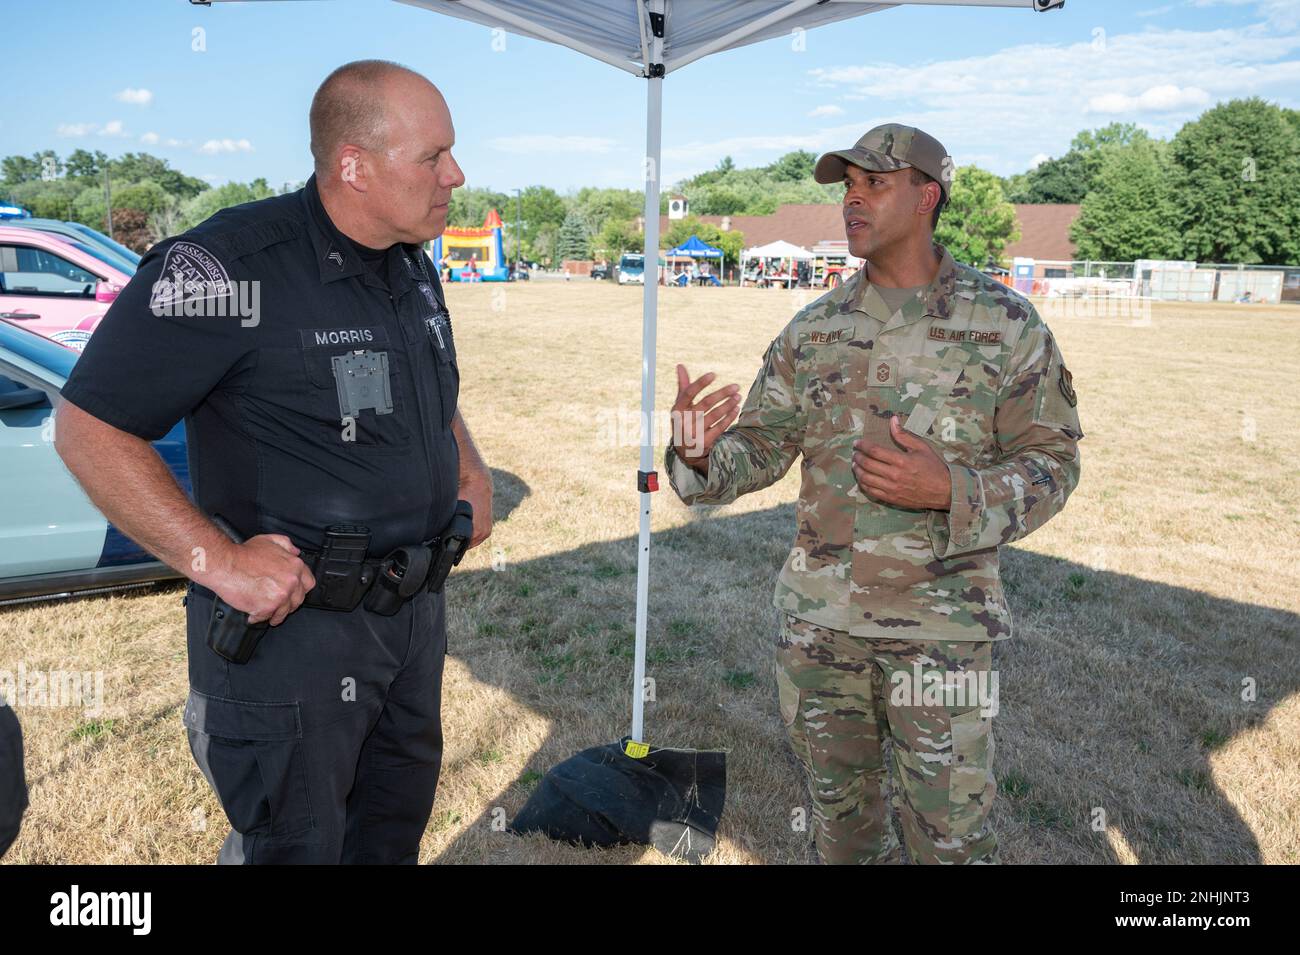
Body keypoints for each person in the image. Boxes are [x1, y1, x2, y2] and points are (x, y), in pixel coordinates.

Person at [54, 59, 493, 865]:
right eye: (433, 157)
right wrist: (217, 559)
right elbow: (89, 428)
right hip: (295, 640)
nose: (456, 175)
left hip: (409, 618)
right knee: (296, 848)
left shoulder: (407, 261)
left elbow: (420, 380)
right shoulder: (227, 269)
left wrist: (466, 466)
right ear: (353, 165)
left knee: (387, 836)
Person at [664, 123, 1082, 864]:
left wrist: (954, 488)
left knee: (949, 838)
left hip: (943, 636)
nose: (852, 201)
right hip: (820, 632)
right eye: (847, 187)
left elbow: (1053, 463)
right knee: (843, 829)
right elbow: (759, 450)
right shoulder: (814, 329)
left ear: (927, 195)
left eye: (874, 184)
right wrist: (698, 454)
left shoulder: (1005, 326)